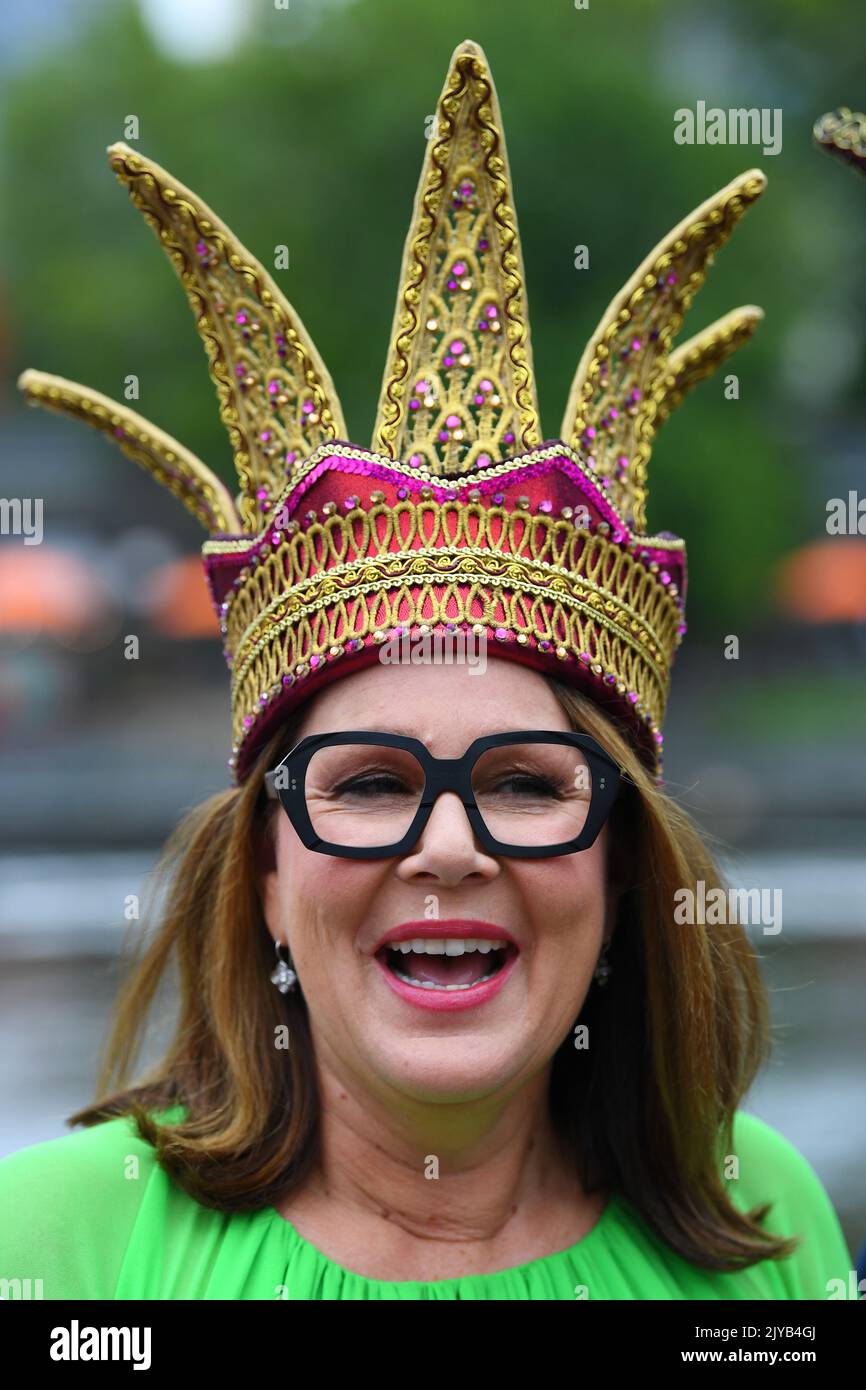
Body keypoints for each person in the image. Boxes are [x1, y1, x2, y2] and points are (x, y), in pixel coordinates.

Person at [0, 39, 852, 1300]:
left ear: (620, 864)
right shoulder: (52, 1241)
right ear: (266, 878)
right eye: (366, 783)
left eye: (521, 781)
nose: (446, 848)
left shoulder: (760, 1215)